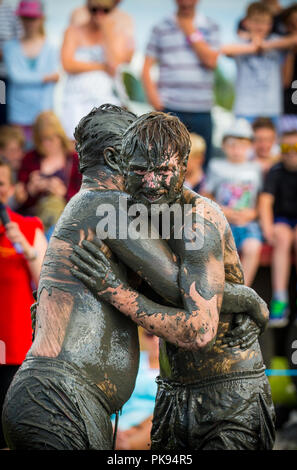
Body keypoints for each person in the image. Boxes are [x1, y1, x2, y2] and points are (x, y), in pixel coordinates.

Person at [3, 105, 270, 450]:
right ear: (117, 156)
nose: (147, 175)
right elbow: (178, 287)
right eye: (137, 156)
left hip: (67, 402)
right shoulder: (109, 205)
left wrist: (248, 299)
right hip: (60, 403)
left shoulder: (104, 206)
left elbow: (192, 297)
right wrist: (249, 299)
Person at [0, 156, 47, 449]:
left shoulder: (28, 227)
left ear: (13, 188)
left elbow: (46, 284)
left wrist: (28, 250)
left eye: (1, 183)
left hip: (14, 349)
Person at [142, 0, 220, 169]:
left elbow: (211, 61)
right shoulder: (160, 27)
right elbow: (146, 67)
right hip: (170, 108)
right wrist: (156, 102)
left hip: (202, 109)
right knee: (165, 165)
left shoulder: (210, 26)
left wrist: (190, 31)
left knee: (202, 167)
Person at [60, 0, 134, 139]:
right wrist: (100, 66)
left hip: (104, 99)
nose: (99, 14)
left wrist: (107, 32)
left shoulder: (116, 34)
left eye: (105, 10)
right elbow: (67, 64)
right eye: (94, 10)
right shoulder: (73, 31)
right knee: (75, 142)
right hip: (76, 99)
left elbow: (114, 66)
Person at [203, 119, 263, 287]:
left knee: (253, 246)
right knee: (218, 249)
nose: (237, 150)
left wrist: (253, 213)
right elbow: (206, 194)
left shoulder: (255, 168)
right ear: (224, 145)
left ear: (251, 146)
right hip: (223, 220)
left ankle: (244, 289)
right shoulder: (216, 166)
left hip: (247, 221)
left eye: (242, 146)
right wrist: (222, 210)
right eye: (232, 145)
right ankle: (220, 288)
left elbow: (260, 196)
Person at [222, 2, 297, 127]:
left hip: (271, 109)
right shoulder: (240, 41)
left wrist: (264, 45)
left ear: (271, 24)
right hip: (245, 109)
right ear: (246, 22)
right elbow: (225, 50)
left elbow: (295, 39)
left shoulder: (275, 41)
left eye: (265, 22)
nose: (260, 26)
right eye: (256, 21)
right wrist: (253, 46)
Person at [2, 1, 59, 146]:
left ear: (41, 19)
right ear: (20, 19)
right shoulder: (10, 47)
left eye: (33, 18)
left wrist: (46, 113)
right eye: (25, 18)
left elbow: (49, 87)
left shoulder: (51, 47)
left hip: (43, 114)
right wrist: (45, 77)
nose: (29, 23)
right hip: (18, 113)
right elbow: (16, 77)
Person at [259, 130, 297, 327]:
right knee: (283, 237)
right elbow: (266, 202)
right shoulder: (276, 171)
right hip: (282, 220)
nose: (292, 152)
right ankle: (280, 298)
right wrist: (268, 229)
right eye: (286, 147)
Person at [17, 111, 81, 232]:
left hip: (66, 220)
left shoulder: (74, 159)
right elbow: (20, 202)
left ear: (60, 136)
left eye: (50, 139)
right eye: (42, 140)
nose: (46, 144)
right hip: (34, 219)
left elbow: (83, 199)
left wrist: (63, 193)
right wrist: (31, 190)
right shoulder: (30, 159)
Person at [114, 328, 159, 450]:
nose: (155, 340)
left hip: (147, 427)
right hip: (116, 424)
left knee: (159, 420)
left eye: (161, 336)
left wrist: (135, 428)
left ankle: (126, 446)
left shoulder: (172, 371)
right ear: (142, 337)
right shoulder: (131, 361)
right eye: (150, 335)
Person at [0, 0, 23, 126]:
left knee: (2, 114)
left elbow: (20, 46)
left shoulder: (10, 12)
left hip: (3, 77)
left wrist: (6, 54)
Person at [280, 4, 297, 134]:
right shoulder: (284, 50)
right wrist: (291, 50)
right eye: (292, 24)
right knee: (289, 151)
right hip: (289, 114)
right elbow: (285, 82)